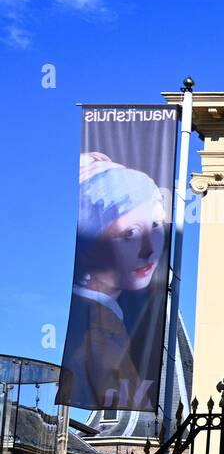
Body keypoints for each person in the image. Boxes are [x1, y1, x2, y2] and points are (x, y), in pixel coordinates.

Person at [59, 152, 167, 410]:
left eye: (155, 225)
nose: (149, 249)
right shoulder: (93, 327)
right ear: (87, 246)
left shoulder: (112, 316)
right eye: (130, 233)